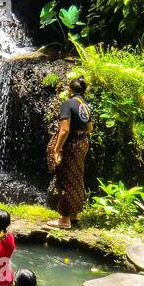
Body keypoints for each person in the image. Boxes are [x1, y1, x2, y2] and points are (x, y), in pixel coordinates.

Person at [47, 74, 93, 229]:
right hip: (83, 142)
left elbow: (64, 129)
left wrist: (57, 149)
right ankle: (74, 215)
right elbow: (90, 128)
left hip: (71, 144)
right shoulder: (85, 105)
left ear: (70, 90)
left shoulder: (68, 103)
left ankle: (64, 219)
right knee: (77, 177)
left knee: (65, 177)